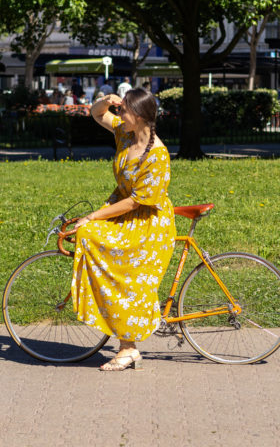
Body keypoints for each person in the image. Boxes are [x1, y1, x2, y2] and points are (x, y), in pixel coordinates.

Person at [71, 88, 176, 371]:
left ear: (140, 117)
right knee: (90, 237)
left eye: (125, 111)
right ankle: (125, 341)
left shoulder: (158, 155)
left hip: (149, 226)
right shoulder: (125, 134)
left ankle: (128, 348)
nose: (120, 115)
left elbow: (135, 202)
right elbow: (97, 114)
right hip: (128, 217)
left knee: (125, 276)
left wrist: (92, 216)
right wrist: (106, 101)